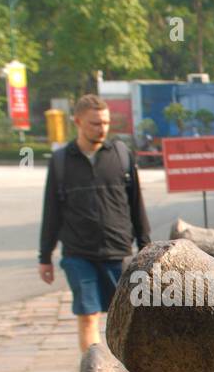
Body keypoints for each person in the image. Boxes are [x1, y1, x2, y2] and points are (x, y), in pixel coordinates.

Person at [38, 94, 151, 352]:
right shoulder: (61, 162)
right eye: (95, 124)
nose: (102, 129)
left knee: (122, 318)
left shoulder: (121, 156)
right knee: (88, 315)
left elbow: (136, 204)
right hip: (79, 255)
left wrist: (146, 246)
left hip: (118, 251)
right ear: (77, 121)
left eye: (106, 123)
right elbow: (51, 212)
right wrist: (44, 256)